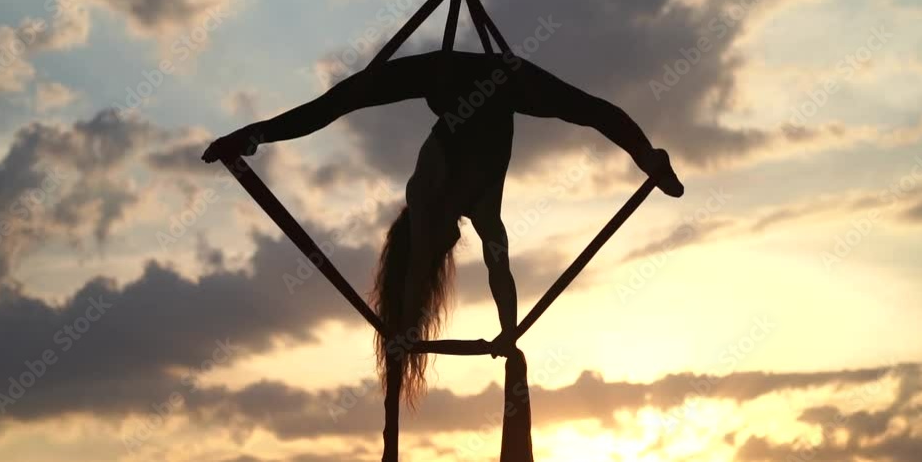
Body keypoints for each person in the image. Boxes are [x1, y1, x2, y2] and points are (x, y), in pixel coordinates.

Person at [202, 50, 683, 460]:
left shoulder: (429, 204)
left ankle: (255, 133)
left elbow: (425, 276)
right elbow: (500, 269)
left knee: (347, 97)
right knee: (582, 109)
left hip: (451, 78)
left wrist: (424, 339)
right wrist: (507, 335)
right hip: (498, 79)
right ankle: (255, 134)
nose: (450, 256)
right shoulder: (479, 210)